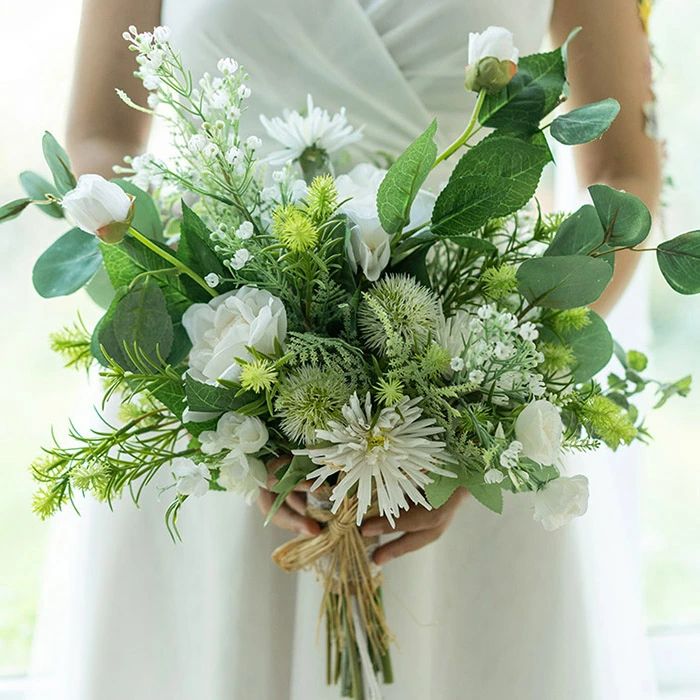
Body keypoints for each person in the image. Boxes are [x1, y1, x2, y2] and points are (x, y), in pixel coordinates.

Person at [30, 1, 661, 698]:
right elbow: (99, 137)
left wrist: (498, 377)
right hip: (215, 404)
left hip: (468, 409)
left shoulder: (485, 391)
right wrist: (207, 349)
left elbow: (623, 170)